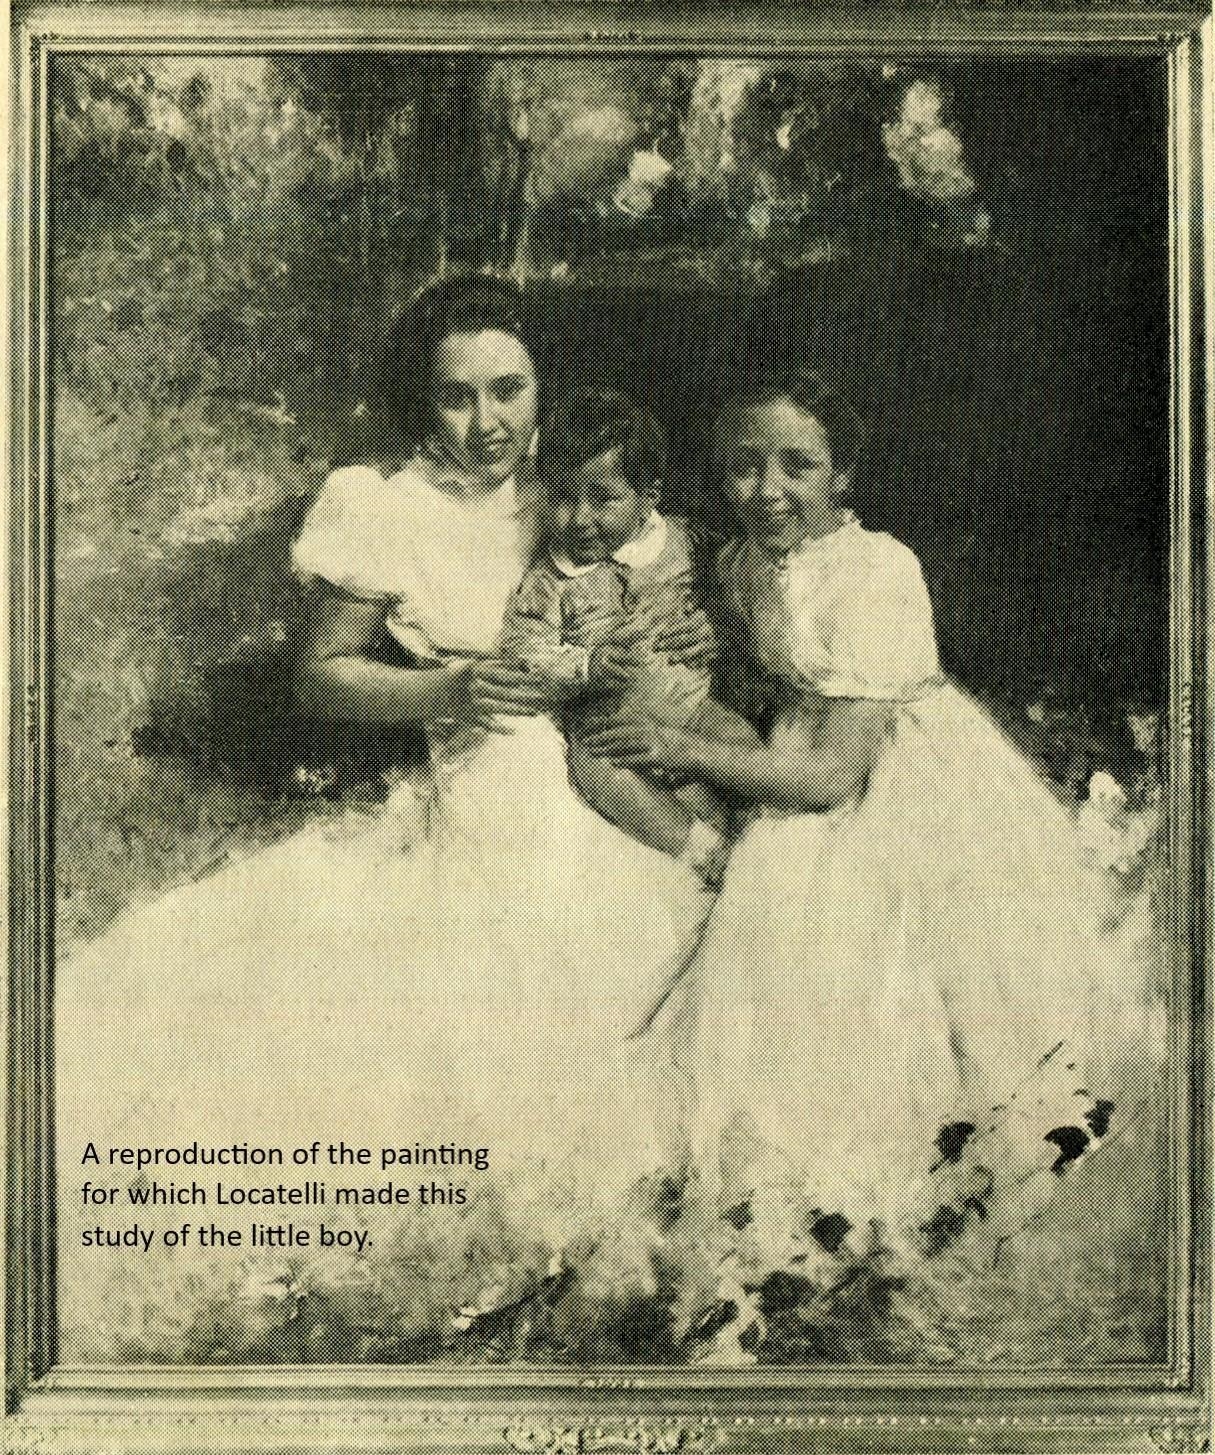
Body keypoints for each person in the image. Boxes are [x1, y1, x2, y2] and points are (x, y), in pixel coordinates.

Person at [54, 274, 719, 1363]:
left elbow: (651, 585)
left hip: (620, 733)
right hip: (495, 759)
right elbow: (322, 674)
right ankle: (554, 1215)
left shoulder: (573, 481)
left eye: (509, 390)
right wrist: (447, 690)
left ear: (541, 387)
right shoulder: (384, 503)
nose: (488, 422)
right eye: (458, 396)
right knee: (537, 941)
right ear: (423, 399)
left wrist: (676, 640)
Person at [582, 364, 1159, 1291]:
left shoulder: (880, 570)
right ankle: (782, 1202)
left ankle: (890, 1187)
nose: (767, 490)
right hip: (802, 748)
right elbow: (776, 660)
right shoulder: (741, 561)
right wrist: (713, 650)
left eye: (797, 465)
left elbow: (832, 776)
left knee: (853, 958)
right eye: (743, 467)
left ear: (842, 473)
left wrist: (681, 747)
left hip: (892, 783)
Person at [499, 387, 760, 878]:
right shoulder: (548, 580)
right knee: (591, 766)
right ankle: (703, 851)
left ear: (649, 497)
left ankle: (765, 840)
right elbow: (522, 650)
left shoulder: (686, 543)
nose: (579, 519)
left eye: (603, 499)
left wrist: (718, 628)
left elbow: (743, 594)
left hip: (691, 710)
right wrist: (584, 664)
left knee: (742, 741)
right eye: (563, 498)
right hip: (610, 728)